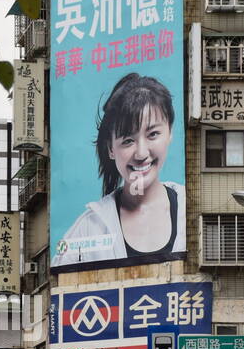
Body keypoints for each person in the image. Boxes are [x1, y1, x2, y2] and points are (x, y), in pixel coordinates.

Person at [51, 74, 185, 269]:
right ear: (111, 149)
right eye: (128, 140)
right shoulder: (89, 228)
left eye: (153, 134)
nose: (141, 153)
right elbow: (60, 292)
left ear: (170, 132)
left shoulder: (189, 209)